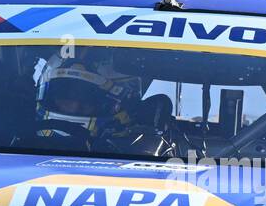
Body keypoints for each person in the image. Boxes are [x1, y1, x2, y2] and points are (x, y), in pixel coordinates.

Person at [35, 55, 176, 157]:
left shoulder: (145, 154)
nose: (72, 106)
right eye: (63, 95)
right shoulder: (16, 139)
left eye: (87, 99)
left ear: (119, 104)